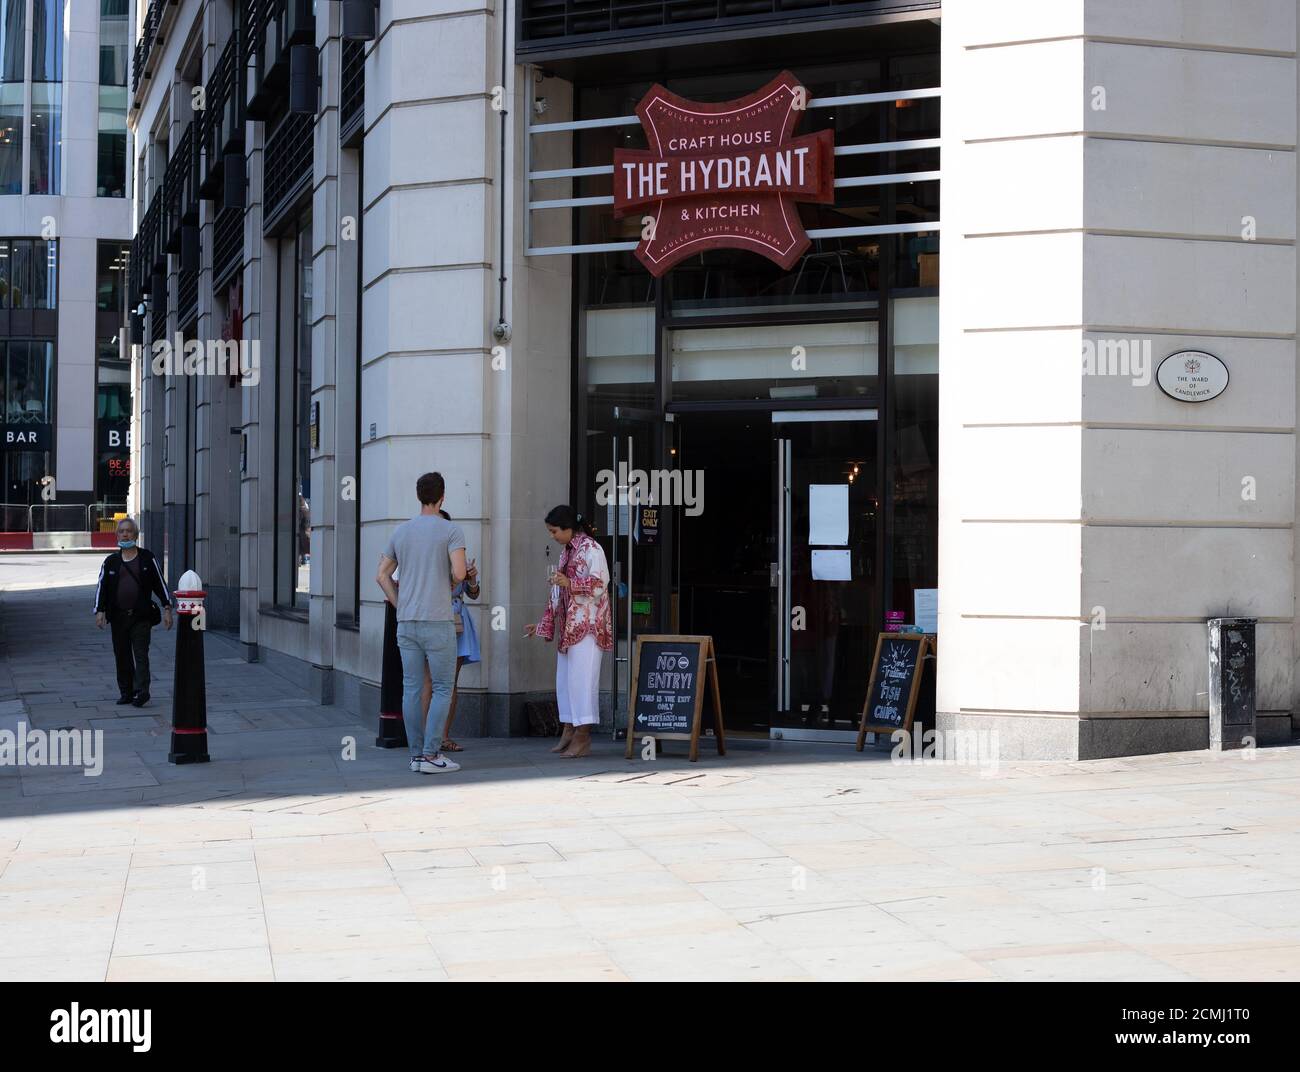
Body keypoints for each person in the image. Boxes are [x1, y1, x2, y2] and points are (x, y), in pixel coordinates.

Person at [376, 472, 466, 774]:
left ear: (419, 496)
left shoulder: (400, 532)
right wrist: (450, 576)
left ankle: (416, 755)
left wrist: (399, 603)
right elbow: (461, 574)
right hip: (437, 620)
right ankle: (432, 754)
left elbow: (381, 575)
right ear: (442, 497)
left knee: (411, 689)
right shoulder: (451, 531)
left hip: (407, 622)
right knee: (442, 687)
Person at [524, 505, 613, 758]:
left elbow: (600, 584)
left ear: (568, 528)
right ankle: (570, 728)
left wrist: (570, 583)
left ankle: (582, 735)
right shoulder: (567, 552)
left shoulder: (592, 549)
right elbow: (556, 591)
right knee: (566, 681)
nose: (552, 536)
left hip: (588, 624)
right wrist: (542, 623)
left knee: (582, 681)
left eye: (554, 531)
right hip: (569, 625)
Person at [93, 517, 174, 706]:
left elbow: (160, 584)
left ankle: (141, 691)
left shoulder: (147, 558)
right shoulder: (111, 562)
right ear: (117, 535)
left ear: (135, 535)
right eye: (121, 531)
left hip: (141, 616)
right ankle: (126, 692)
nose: (125, 534)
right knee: (122, 655)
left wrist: (167, 608)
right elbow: (101, 588)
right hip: (118, 617)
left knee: (140, 654)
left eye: (129, 531)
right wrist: (99, 611)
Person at [418, 510, 480, 753]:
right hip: (431, 618)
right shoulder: (423, 556)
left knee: (450, 683)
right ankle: (425, 737)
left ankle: (443, 736)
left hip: (456, 622)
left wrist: (472, 579)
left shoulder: (458, 555)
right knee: (428, 681)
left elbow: (473, 594)